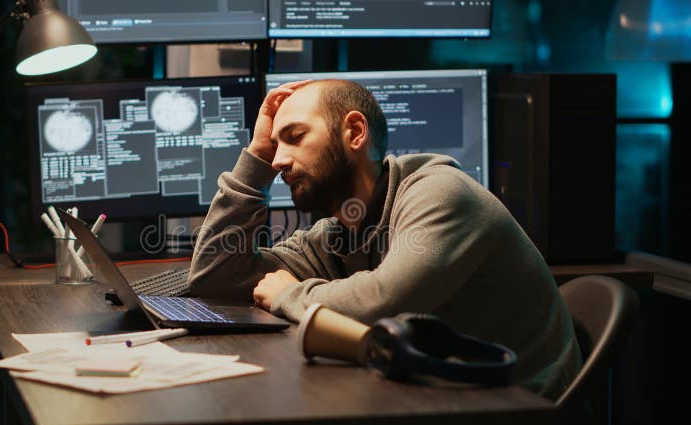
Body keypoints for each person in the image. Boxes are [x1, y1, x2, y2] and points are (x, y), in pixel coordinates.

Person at [188, 79, 581, 399]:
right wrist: (255, 156)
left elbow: (387, 300)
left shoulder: (440, 192)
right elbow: (215, 277)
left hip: (517, 415)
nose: (278, 160)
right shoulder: (339, 232)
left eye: (293, 137)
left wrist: (290, 294)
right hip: (442, 395)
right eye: (275, 146)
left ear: (355, 132)